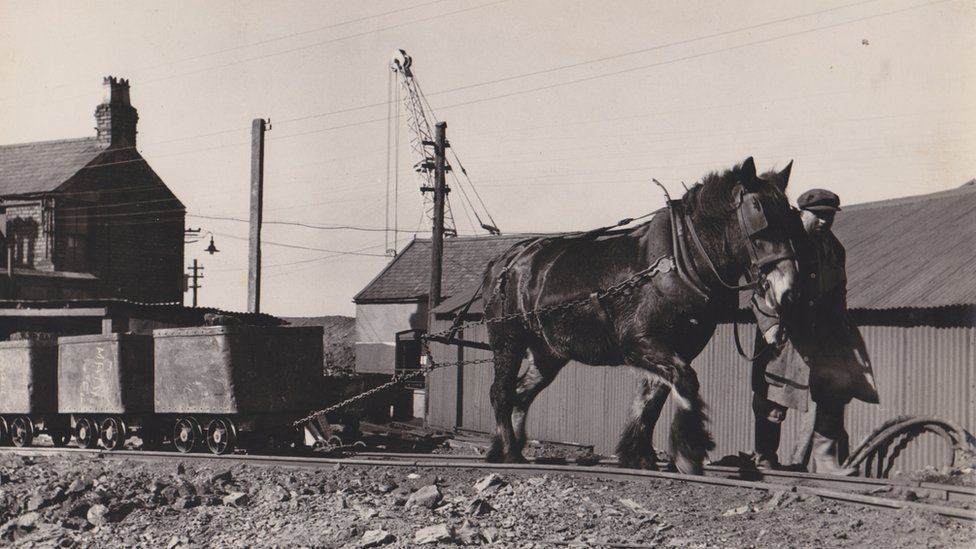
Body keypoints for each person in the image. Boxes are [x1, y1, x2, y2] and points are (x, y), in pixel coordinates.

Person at [751, 189, 879, 475]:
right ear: (802, 214)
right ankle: (765, 458)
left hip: (824, 331)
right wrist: (770, 326)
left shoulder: (834, 248)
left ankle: (826, 462)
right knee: (773, 396)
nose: (824, 221)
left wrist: (841, 328)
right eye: (818, 216)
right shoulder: (782, 244)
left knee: (836, 388)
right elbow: (759, 293)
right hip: (786, 334)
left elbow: (839, 291)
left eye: (829, 216)